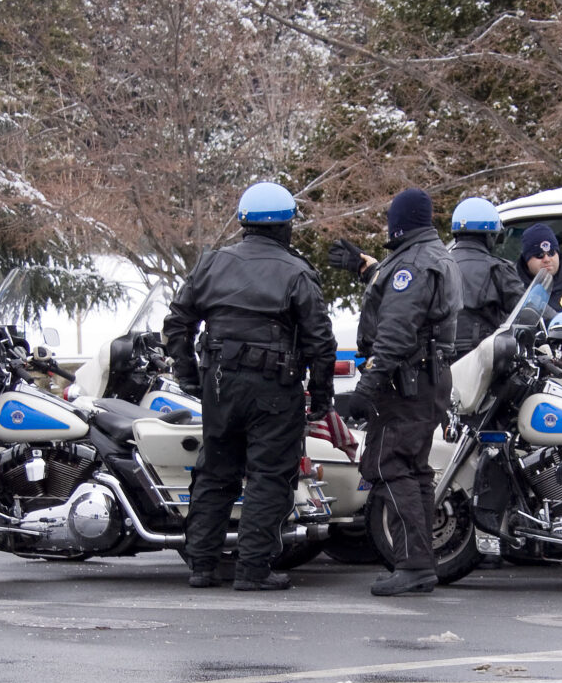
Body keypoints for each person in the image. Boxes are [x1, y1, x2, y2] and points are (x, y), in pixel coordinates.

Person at [162, 182, 337, 592]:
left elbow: (177, 323)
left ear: (245, 223)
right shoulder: (297, 272)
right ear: (286, 225)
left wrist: (189, 375)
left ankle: (202, 565)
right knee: (269, 476)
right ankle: (253, 569)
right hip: (274, 388)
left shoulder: (211, 264)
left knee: (214, 471)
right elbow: (320, 342)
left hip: (219, 385)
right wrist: (322, 395)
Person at [336, 187, 460, 597]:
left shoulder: (412, 264)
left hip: (404, 383)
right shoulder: (433, 255)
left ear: (399, 223)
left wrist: (366, 387)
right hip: (426, 379)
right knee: (413, 469)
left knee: (389, 465)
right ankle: (418, 562)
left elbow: (396, 331)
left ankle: (413, 564)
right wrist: (369, 270)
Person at [447, 197, 526, 360]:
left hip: (441, 359)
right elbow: (525, 310)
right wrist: (558, 320)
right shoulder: (498, 269)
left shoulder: (438, 266)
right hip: (482, 359)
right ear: (490, 235)